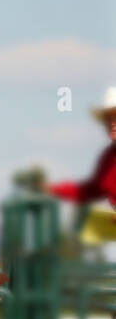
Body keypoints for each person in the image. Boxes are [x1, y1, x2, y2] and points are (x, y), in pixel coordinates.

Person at [47, 85, 116, 259]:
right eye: (108, 117)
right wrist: (51, 189)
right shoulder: (109, 157)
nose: (112, 123)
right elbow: (92, 190)